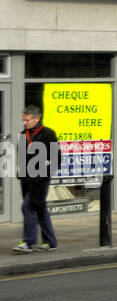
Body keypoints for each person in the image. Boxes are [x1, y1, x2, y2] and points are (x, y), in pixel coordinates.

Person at [14, 106, 59, 253]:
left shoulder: (48, 134)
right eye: (24, 120)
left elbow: (56, 158)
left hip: (40, 179)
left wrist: (44, 173)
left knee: (27, 207)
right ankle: (50, 242)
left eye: (27, 120)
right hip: (26, 179)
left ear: (36, 119)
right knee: (40, 209)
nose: (25, 123)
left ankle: (28, 242)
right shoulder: (23, 135)